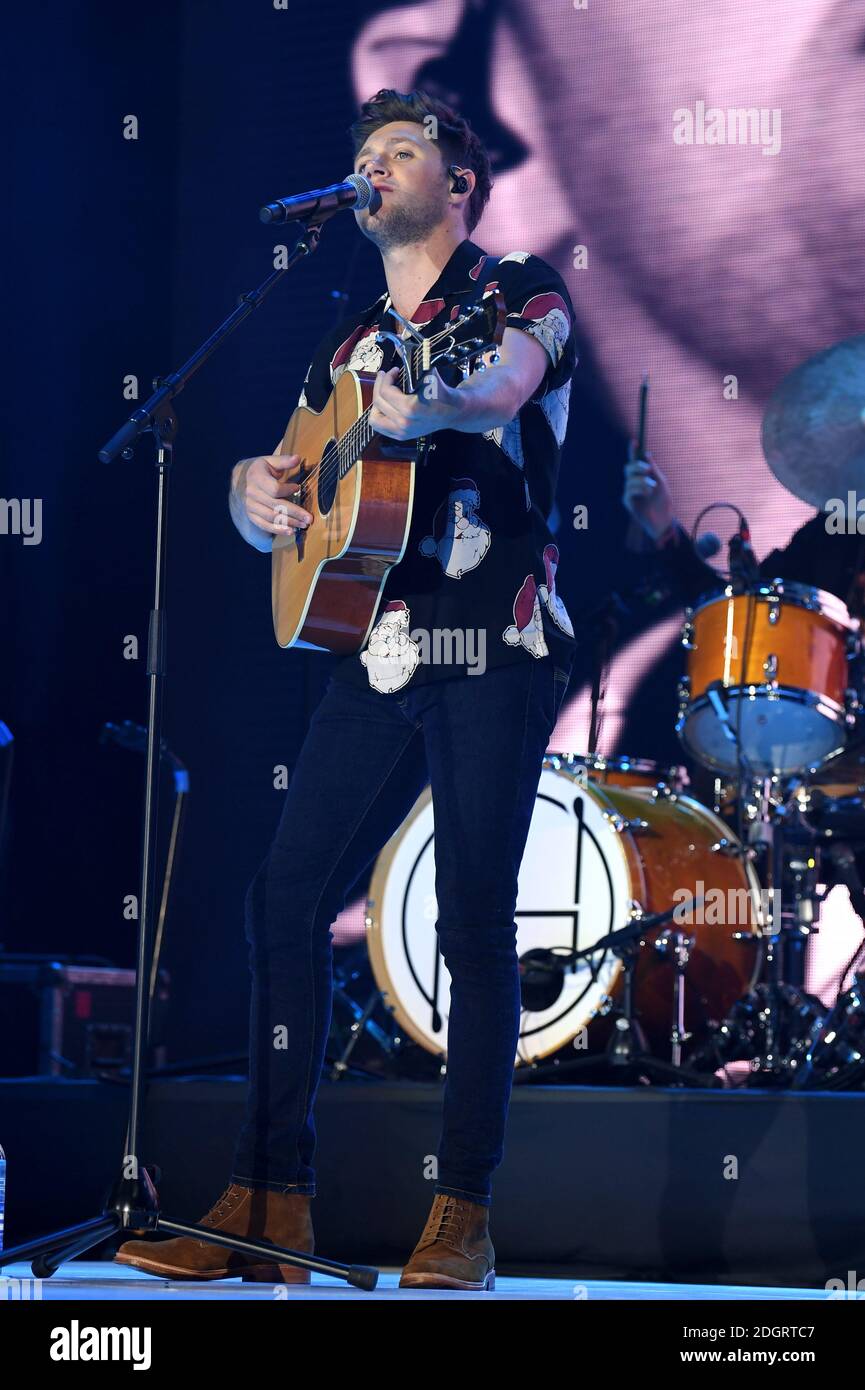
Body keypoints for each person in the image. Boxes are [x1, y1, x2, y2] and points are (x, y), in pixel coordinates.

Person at [115, 88, 578, 1291]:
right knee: (280, 897)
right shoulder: (347, 334)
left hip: (493, 637)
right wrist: (244, 490)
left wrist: (438, 402)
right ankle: (269, 1203)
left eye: (400, 154)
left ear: (457, 183)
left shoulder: (515, 288)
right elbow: (277, 470)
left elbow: (504, 387)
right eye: (362, 157)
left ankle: (461, 1213)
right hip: (374, 642)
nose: (372, 169)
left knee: (472, 920)